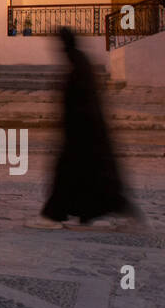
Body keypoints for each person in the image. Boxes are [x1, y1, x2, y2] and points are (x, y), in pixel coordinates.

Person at [32, 27, 139, 230]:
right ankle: (73, 212)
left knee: (74, 177)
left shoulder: (78, 67)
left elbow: (79, 105)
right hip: (81, 136)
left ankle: (60, 213)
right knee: (77, 178)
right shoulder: (79, 64)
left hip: (82, 137)